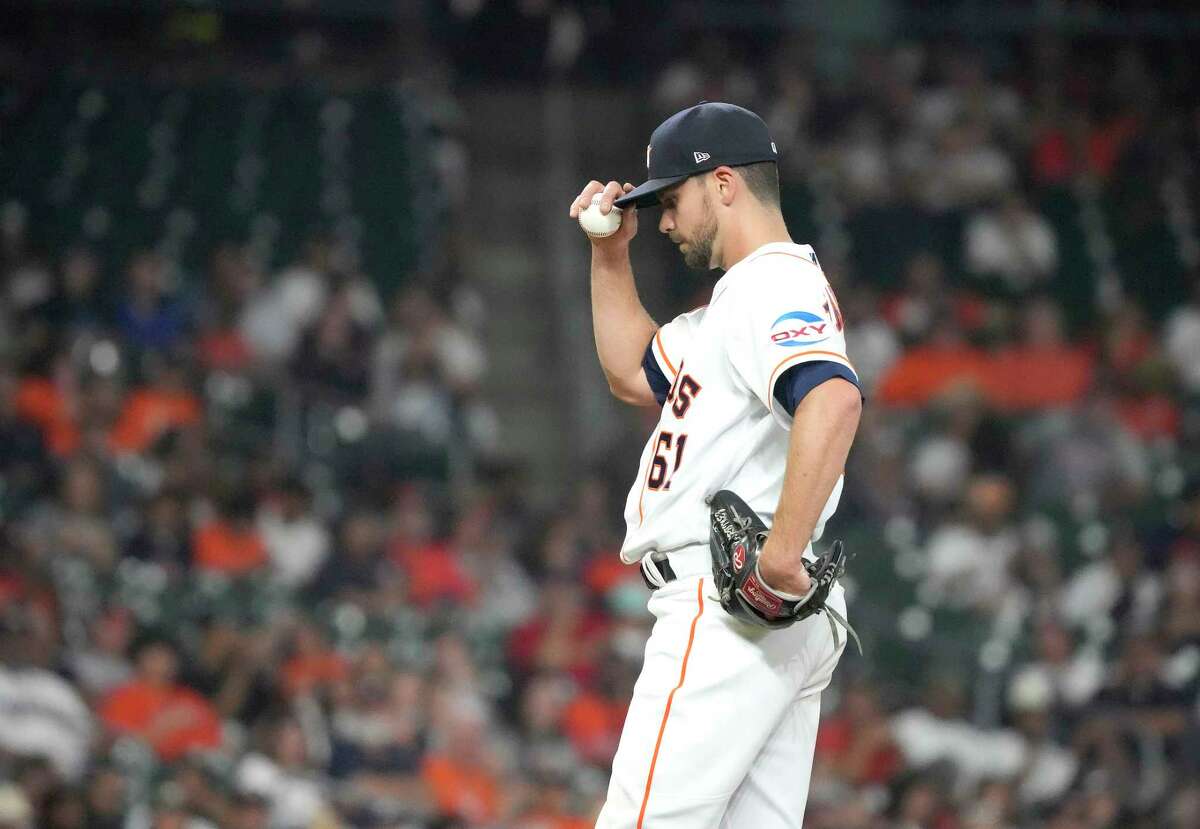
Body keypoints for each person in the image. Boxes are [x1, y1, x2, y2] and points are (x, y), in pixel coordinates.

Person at [569, 102, 863, 827]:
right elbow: (635, 372)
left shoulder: (772, 284)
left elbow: (832, 399)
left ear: (723, 184)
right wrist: (611, 253)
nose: (664, 222)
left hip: (728, 599)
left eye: (671, 200)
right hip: (760, 614)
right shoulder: (736, 304)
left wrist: (780, 553)